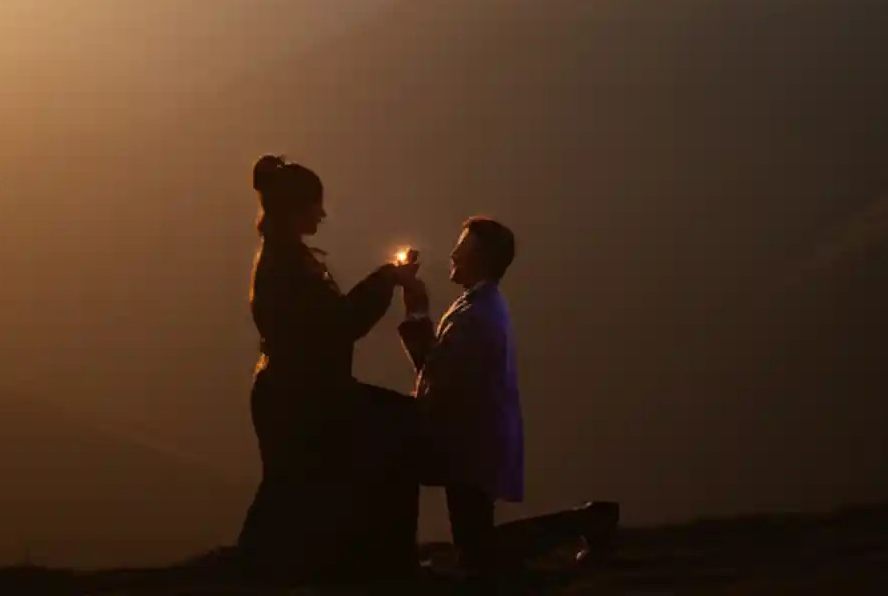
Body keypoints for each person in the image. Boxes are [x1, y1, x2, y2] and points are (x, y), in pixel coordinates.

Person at [400, 217, 620, 581]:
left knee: (477, 552)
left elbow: (437, 369)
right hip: (471, 437)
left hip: (470, 439)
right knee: (475, 547)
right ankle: (589, 520)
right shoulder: (477, 305)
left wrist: (417, 310)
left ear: (481, 258)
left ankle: (590, 519)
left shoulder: (477, 313)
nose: (453, 254)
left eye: (463, 247)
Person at [238, 155, 421, 585]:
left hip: (294, 392)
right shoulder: (288, 265)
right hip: (301, 396)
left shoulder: (286, 258)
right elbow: (339, 325)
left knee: (293, 484)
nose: (322, 214)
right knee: (300, 480)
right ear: (295, 209)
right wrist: (386, 281)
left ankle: (280, 567)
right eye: (314, 206)